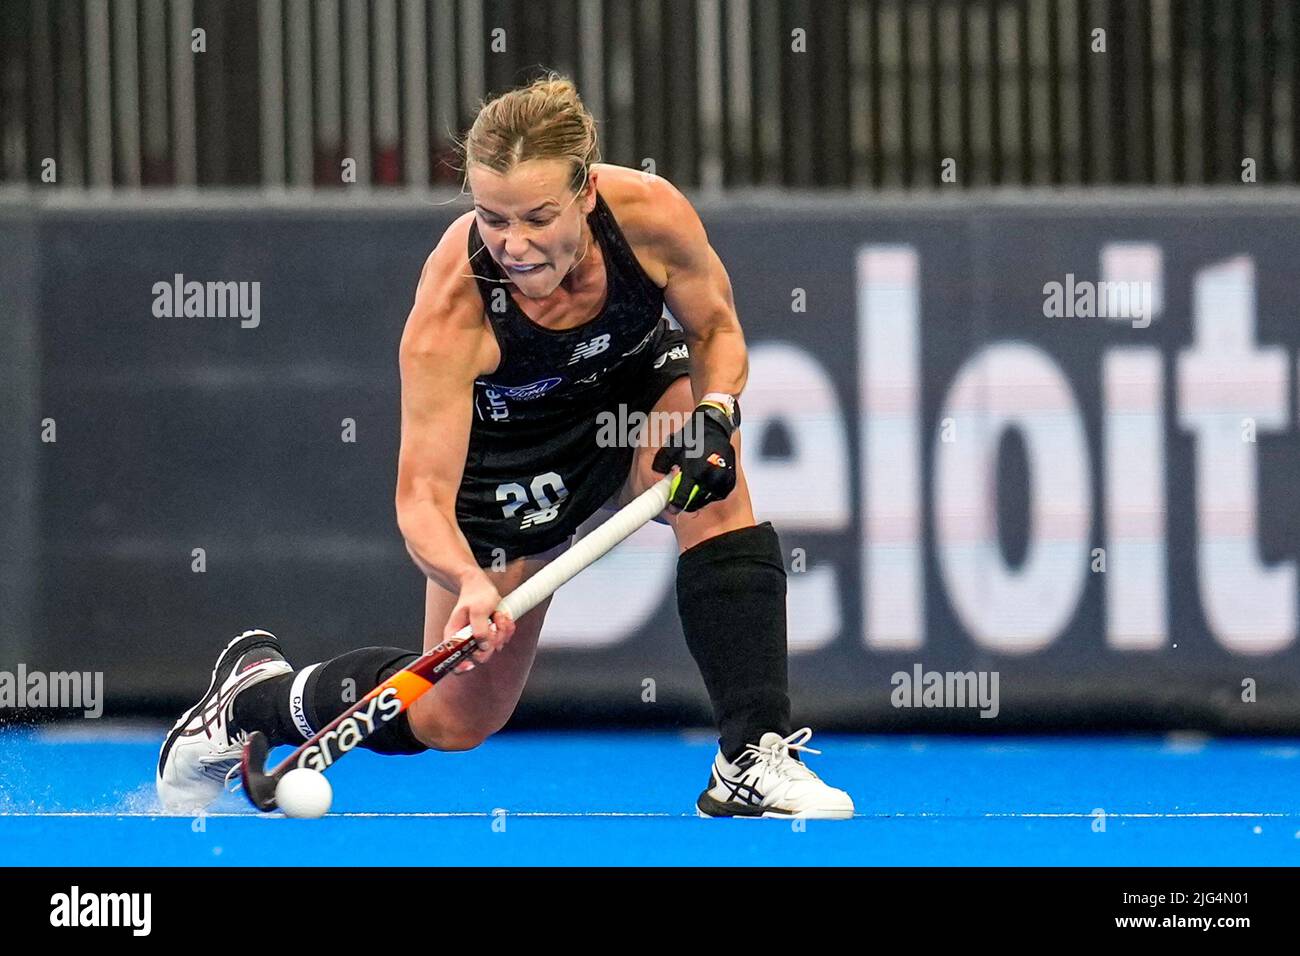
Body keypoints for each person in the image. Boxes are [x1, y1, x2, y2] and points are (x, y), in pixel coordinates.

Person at [157, 74, 852, 819]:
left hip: (632, 394)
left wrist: (717, 409)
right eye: (492, 217)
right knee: (454, 720)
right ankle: (252, 697)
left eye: (537, 217)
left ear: (586, 194)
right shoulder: (453, 310)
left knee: (713, 484)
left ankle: (749, 757)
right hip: (509, 467)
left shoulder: (650, 217)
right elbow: (420, 500)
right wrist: (470, 580)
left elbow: (715, 330)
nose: (515, 245)